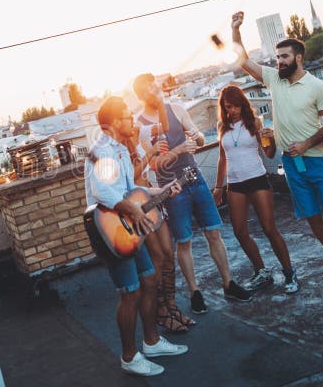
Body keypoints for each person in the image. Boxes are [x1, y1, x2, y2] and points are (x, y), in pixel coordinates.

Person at [231, 11, 323, 283]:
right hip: (291, 164)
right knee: (312, 218)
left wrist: (307, 143)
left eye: (284, 56)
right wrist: (235, 30)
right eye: (277, 57)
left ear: (298, 58)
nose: (279, 61)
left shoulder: (318, 87)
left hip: (319, 161)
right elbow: (243, 60)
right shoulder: (274, 79)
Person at [84, 96, 188, 376]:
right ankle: (129, 357)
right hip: (111, 232)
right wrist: (133, 210)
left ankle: (151, 342)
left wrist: (164, 190)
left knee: (149, 280)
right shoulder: (100, 151)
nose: (132, 119)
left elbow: (133, 192)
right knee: (130, 292)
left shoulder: (119, 150)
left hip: (130, 227)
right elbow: (103, 192)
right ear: (114, 122)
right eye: (127, 116)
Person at [134, 74, 252, 316]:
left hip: (195, 179)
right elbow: (153, 164)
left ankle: (228, 283)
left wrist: (197, 138)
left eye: (155, 86)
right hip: (171, 188)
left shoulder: (176, 109)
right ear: (141, 94)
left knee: (214, 233)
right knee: (184, 241)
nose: (155, 91)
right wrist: (179, 150)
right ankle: (194, 292)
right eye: (149, 89)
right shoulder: (140, 125)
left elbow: (198, 137)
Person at [212, 85, 298, 294]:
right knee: (239, 232)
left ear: (242, 104)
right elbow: (222, 158)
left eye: (235, 106)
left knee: (269, 229)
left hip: (257, 179)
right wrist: (218, 187)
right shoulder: (222, 126)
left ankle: (289, 272)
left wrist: (272, 139)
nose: (231, 110)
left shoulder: (255, 123)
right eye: (227, 107)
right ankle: (262, 271)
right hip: (235, 184)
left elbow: (269, 153)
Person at [124, 97, 196, 333]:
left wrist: (158, 96)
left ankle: (173, 307)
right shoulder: (120, 147)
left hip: (153, 197)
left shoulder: (139, 132)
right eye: (126, 117)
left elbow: (164, 126)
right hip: (138, 205)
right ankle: (161, 312)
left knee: (168, 254)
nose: (131, 121)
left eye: (130, 116)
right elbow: (130, 177)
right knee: (157, 260)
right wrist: (151, 153)